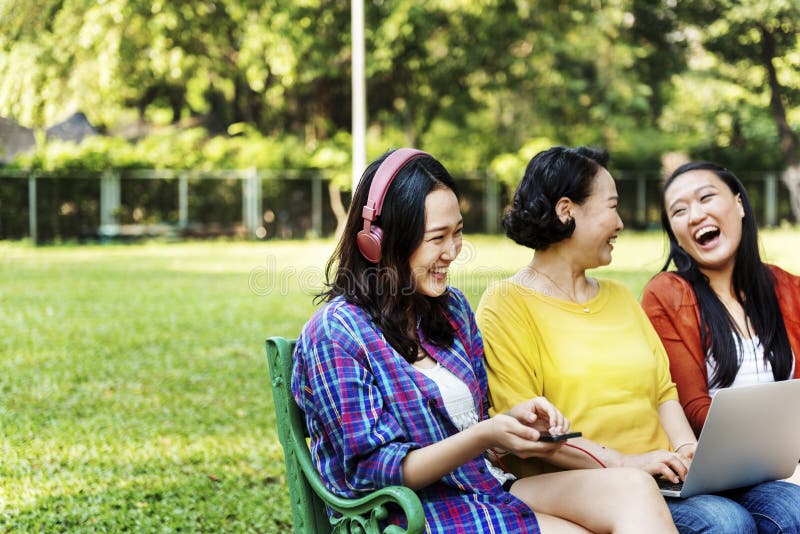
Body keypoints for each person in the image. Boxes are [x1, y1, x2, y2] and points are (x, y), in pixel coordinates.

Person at [291, 148, 676, 533]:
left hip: (485, 489)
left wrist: (512, 424)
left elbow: (478, 426)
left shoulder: (451, 309)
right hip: (414, 514)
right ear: (377, 241)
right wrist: (481, 436)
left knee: (634, 487)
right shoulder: (336, 332)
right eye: (437, 238)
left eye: (457, 233)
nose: (452, 252)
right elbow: (373, 472)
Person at [476, 146, 800, 533]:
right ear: (567, 211)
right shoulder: (505, 304)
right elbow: (527, 432)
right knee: (725, 522)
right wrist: (626, 462)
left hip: (665, 473)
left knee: (791, 508)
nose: (620, 222)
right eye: (612, 206)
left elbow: (664, 393)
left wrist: (686, 451)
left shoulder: (619, 297)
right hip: (594, 485)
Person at [641, 161, 800, 485]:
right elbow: (693, 409)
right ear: (675, 234)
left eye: (706, 197)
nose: (695, 215)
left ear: (739, 204)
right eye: (679, 211)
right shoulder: (667, 294)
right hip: (724, 472)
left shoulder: (788, 288)